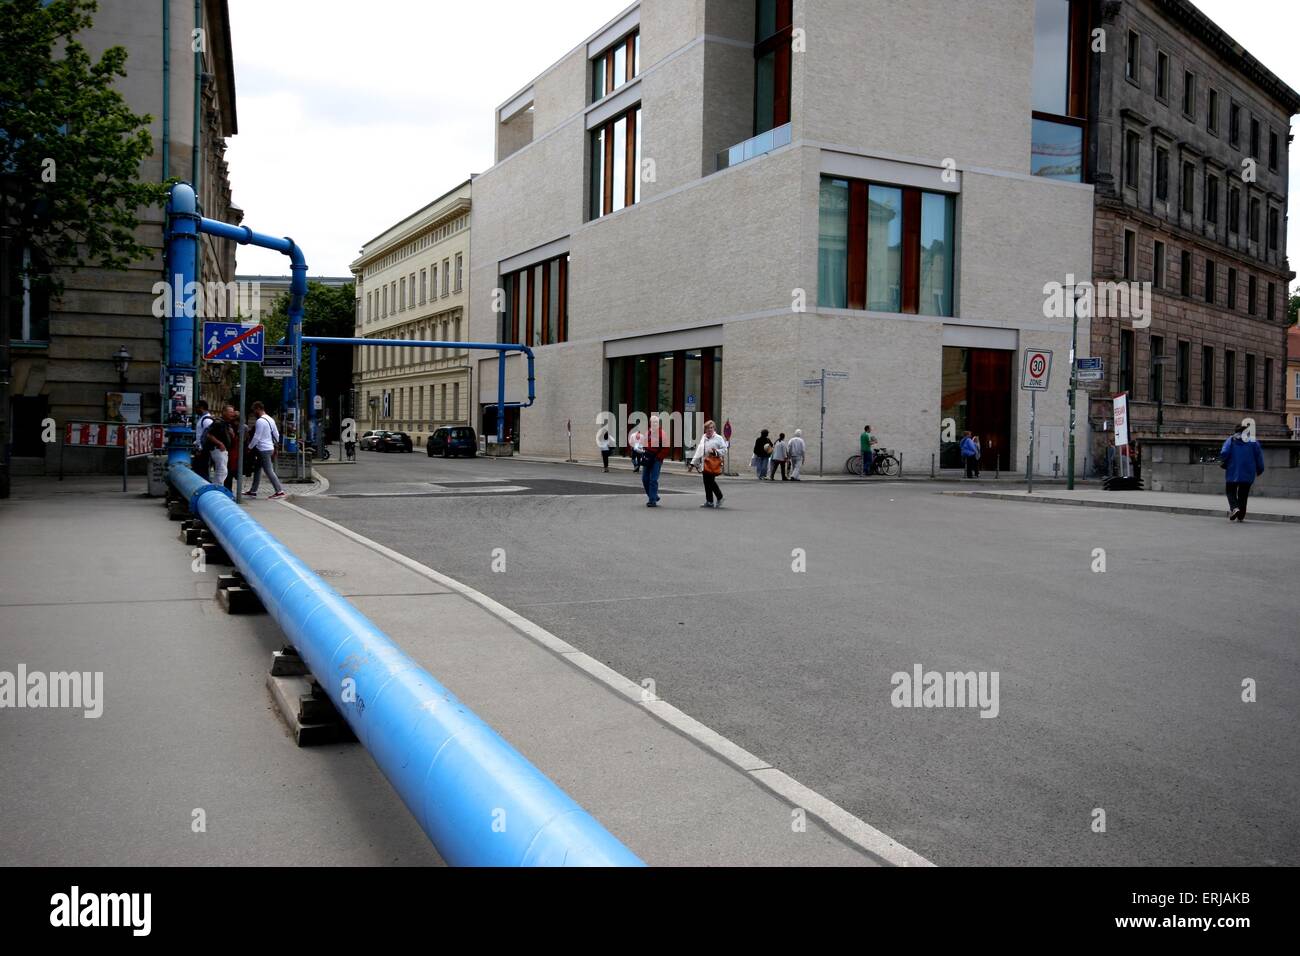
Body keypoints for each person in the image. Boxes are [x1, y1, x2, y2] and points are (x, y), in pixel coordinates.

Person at [1220, 422, 1265, 522]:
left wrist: (1224, 460)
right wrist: (1260, 469)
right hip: (1248, 472)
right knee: (1243, 494)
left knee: (1230, 491)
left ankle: (1235, 508)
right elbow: (1259, 457)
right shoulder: (1253, 441)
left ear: (1236, 431)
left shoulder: (1231, 440)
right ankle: (1241, 516)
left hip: (1232, 470)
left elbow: (1224, 452)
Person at [246, 401, 286, 499]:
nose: (253, 412)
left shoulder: (260, 421)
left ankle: (279, 491)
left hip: (263, 449)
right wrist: (275, 445)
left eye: (254, 410)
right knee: (257, 469)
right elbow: (276, 434)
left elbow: (257, 437)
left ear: (258, 409)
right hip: (269, 447)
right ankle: (253, 491)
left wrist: (249, 447)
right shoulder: (270, 419)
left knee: (268, 470)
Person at [688, 420, 729, 508]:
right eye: (707, 428)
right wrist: (692, 464)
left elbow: (725, 450)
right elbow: (699, 450)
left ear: (714, 428)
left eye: (711, 428)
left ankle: (720, 497)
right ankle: (709, 501)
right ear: (705, 429)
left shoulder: (719, 438)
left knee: (710, 481)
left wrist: (715, 452)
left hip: (714, 463)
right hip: (705, 463)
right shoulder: (704, 437)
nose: (709, 429)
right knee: (706, 482)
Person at [204, 404, 237, 488]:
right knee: (222, 470)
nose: (232, 414)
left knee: (222, 470)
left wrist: (231, 433)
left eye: (233, 412)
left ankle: (217, 486)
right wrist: (220, 443)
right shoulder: (218, 422)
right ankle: (217, 487)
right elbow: (209, 435)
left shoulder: (226, 423)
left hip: (223, 450)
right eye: (230, 412)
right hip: (218, 449)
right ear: (224, 412)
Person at [642, 414, 670, 507]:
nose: (654, 423)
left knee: (653, 480)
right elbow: (644, 443)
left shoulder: (662, 433)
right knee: (645, 479)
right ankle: (653, 496)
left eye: (656, 422)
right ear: (650, 423)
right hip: (647, 457)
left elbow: (666, 448)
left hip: (656, 459)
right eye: (652, 422)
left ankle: (652, 500)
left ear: (658, 423)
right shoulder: (647, 433)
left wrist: (658, 457)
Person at [192, 400, 213, 480]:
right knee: (198, 470)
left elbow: (208, 435)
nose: (195, 410)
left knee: (201, 470)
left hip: (203, 450)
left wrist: (200, 448)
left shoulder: (207, 420)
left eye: (196, 407)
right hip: (200, 449)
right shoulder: (202, 418)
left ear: (202, 408)